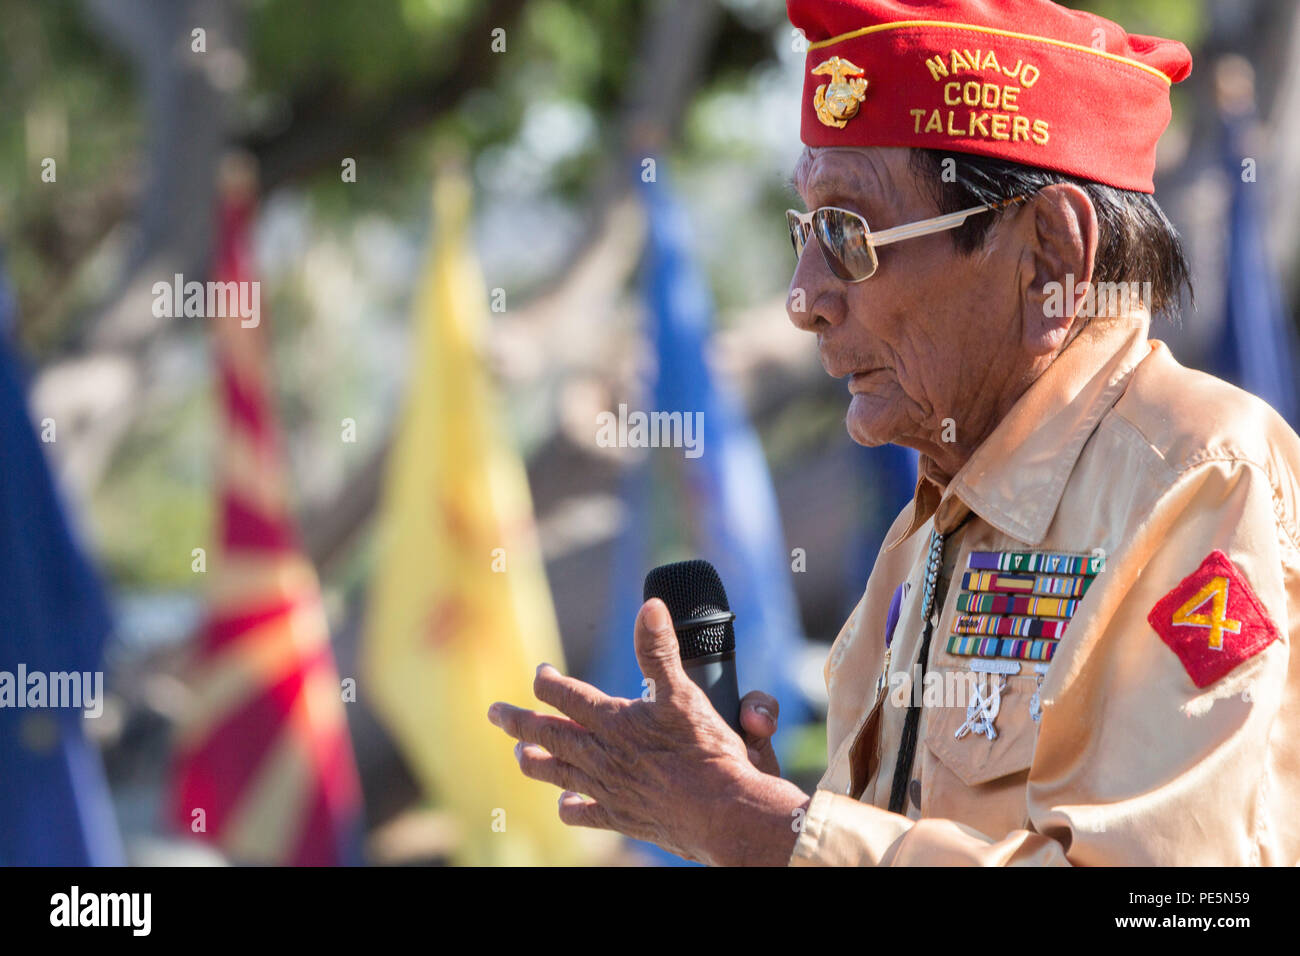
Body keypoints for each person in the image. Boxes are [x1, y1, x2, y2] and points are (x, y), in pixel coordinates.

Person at [488, 0, 1300, 865]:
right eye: (805, 233)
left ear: (1050, 258)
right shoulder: (935, 525)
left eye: (849, 235)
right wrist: (759, 808)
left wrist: (773, 834)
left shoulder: (1200, 473)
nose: (804, 299)